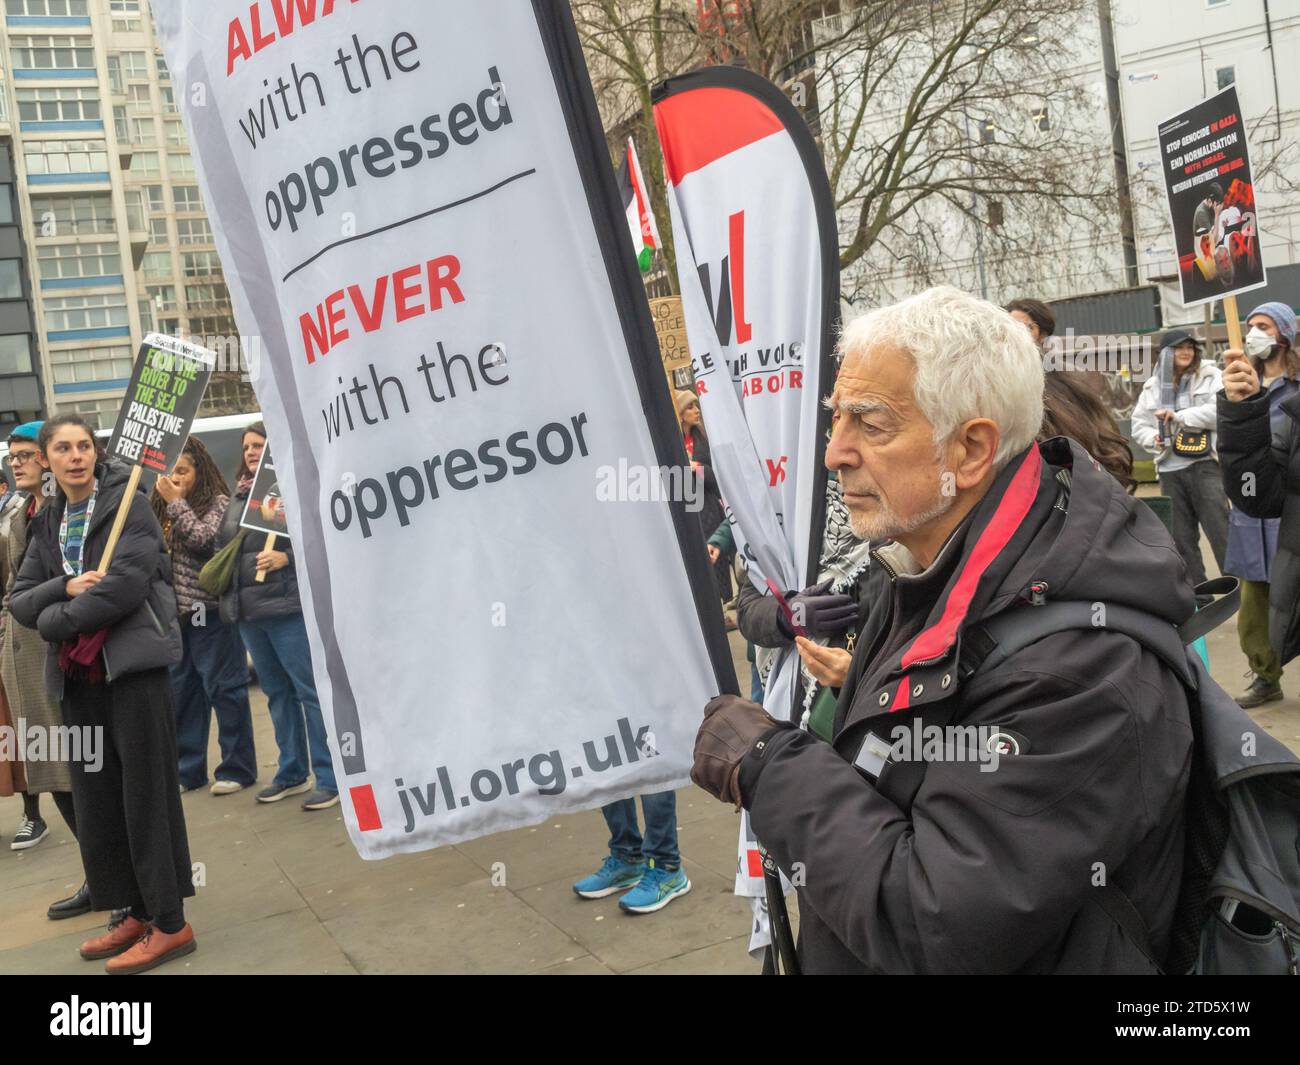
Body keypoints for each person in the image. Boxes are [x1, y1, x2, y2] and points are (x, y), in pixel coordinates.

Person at [692, 286, 1196, 973]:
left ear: (969, 449)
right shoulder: (927, 572)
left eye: (869, 424)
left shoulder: (1082, 666)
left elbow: (932, 922)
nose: (834, 452)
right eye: (835, 419)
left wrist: (769, 764)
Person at [10, 415, 196, 973]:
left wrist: (56, 619)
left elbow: (125, 586)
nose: (76, 456)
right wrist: (63, 587)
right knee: (100, 804)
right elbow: (19, 600)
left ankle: (171, 922)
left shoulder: (129, 503)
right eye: (63, 448)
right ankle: (132, 911)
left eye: (84, 446)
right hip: (75, 679)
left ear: (96, 452)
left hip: (131, 671)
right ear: (46, 458)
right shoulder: (47, 521)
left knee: (147, 798)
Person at [212, 423, 337, 811]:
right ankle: (291, 772)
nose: (251, 451)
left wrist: (287, 557)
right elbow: (223, 544)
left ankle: (330, 776)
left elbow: (321, 537)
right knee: (277, 694)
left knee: (308, 692)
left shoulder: (292, 488)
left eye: (259, 445)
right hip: (249, 610)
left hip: (285, 608)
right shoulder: (238, 495)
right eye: (247, 446)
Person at [0, 421, 97, 917]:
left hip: (53, 650)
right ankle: (98, 872)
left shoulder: (64, 512)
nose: (16, 462)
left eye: (25, 454)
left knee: (74, 766)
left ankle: (104, 874)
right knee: (47, 767)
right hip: (19, 650)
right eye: (12, 456)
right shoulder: (19, 509)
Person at [151, 435, 257, 794]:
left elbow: (205, 541)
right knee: (184, 692)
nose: (176, 477)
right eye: (170, 472)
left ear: (201, 471)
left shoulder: (218, 503)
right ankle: (188, 769)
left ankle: (237, 768)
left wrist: (177, 505)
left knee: (224, 689)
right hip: (175, 616)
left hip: (205, 611)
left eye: (182, 470)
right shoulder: (160, 508)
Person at [1219, 302, 1299, 708]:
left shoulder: (1296, 389)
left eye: (1263, 326)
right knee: (1254, 609)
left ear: (1284, 334)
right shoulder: (1241, 384)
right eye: (1250, 326)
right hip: (1252, 515)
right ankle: (1266, 676)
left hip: (1291, 516)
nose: (1253, 333)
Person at [1131, 329, 1229, 596]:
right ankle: (1201, 598)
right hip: (1169, 469)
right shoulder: (1152, 388)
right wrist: (1154, 438)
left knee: (1222, 532)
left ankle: (1241, 591)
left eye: (1190, 347)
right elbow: (1138, 425)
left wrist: (1179, 416)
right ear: (1165, 354)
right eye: (1178, 348)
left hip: (1205, 465)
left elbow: (1220, 410)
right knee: (1182, 540)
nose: (1186, 352)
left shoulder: (1211, 376)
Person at [675, 389, 732, 609]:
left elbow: (715, 473)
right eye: (690, 407)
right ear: (680, 413)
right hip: (688, 507)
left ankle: (724, 602)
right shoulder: (674, 442)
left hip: (708, 506)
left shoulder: (703, 438)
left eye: (696, 405)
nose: (696, 410)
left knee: (715, 554)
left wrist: (696, 468)